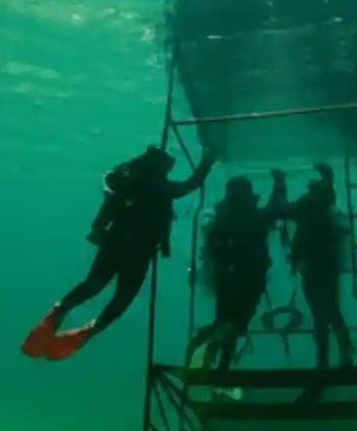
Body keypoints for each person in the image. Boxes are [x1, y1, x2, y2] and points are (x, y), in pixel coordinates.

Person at [22, 145, 218, 361]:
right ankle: (89, 330)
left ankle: (55, 315)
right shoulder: (163, 188)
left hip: (114, 243)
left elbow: (107, 208)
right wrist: (208, 160)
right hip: (140, 252)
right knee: (122, 299)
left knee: (91, 286)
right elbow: (193, 183)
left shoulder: (125, 183)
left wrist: (97, 230)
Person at [186, 170, 288, 371]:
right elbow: (276, 209)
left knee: (227, 320)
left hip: (225, 278)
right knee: (236, 323)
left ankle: (214, 354)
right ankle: (213, 351)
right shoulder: (255, 216)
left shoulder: (222, 218)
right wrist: (279, 184)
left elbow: (210, 249)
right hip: (250, 278)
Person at [280, 162, 353, 401]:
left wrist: (327, 175)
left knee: (325, 316)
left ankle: (328, 366)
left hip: (317, 269)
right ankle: (343, 353)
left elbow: (287, 210)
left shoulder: (312, 208)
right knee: (329, 313)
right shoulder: (317, 209)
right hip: (319, 269)